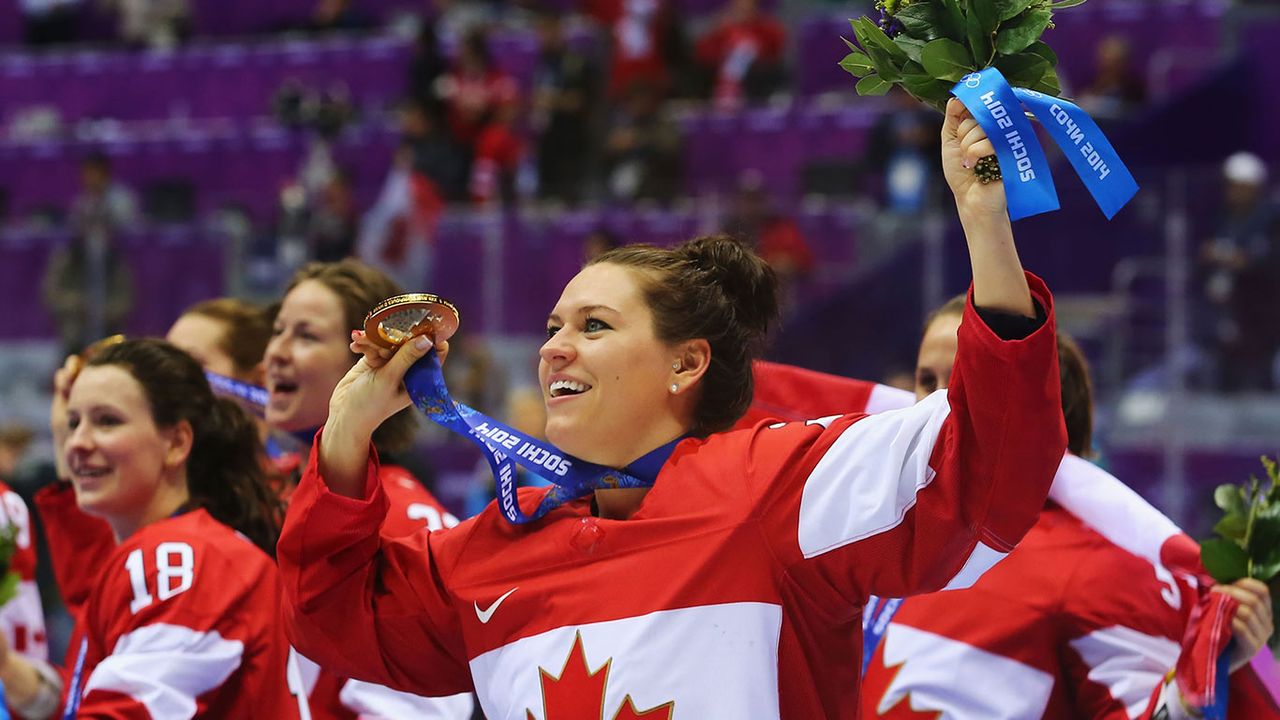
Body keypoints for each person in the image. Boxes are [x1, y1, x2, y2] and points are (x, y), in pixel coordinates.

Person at [276, 99, 1068, 716]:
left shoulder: (773, 488)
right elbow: (330, 621)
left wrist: (984, 221)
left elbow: (987, 468)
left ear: (686, 364)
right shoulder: (487, 555)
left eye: (594, 327)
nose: (553, 348)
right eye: (552, 327)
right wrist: (346, 433)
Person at [854, 298, 1276, 719]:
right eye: (927, 383)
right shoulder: (885, 532)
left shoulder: (1104, 566)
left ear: (1036, 402)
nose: (940, 405)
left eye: (965, 379)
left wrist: (1198, 684)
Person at [7, 339, 302, 719]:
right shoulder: (178, 551)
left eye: (107, 421)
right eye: (73, 423)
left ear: (177, 443)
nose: (77, 443)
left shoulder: (186, 558)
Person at [264, 260, 473, 718]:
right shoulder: (269, 486)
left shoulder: (407, 518)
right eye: (277, 331)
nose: (274, 353)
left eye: (306, 336)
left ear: (368, 361)